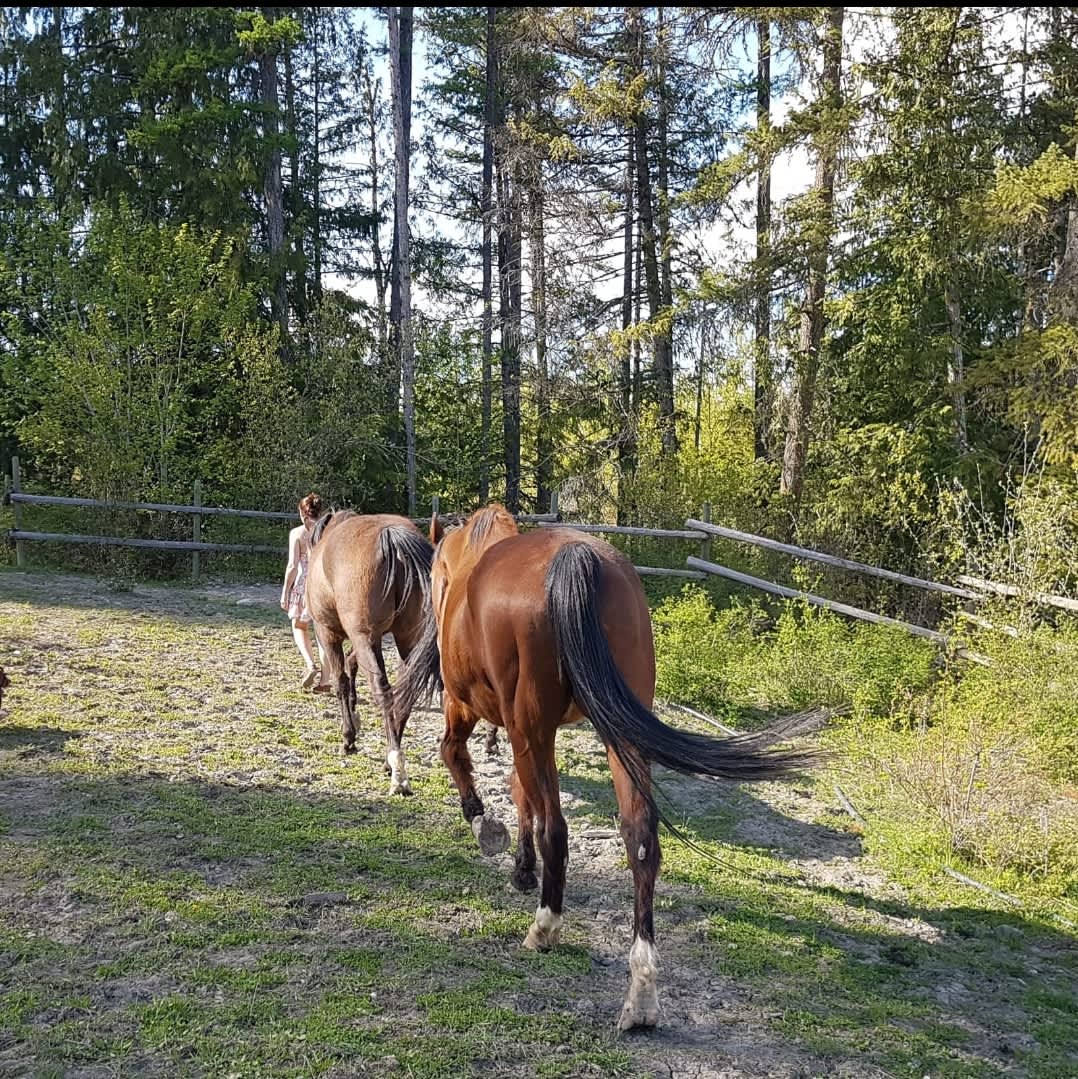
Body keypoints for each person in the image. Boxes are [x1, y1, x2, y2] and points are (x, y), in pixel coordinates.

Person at [281, 492, 324, 689]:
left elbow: (292, 565)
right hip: (323, 582)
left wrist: (285, 591)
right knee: (323, 634)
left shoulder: (297, 534)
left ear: (302, 512)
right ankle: (326, 679)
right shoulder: (326, 531)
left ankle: (310, 663)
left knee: (299, 626)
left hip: (304, 584)